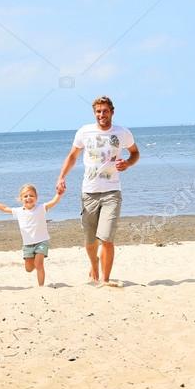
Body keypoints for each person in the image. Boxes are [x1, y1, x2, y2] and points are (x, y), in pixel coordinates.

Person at [55, 95, 139, 286]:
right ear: (94, 113)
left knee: (107, 239)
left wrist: (127, 163)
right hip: (89, 192)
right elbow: (72, 156)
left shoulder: (122, 133)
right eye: (98, 111)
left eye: (105, 111)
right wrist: (61, 177)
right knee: (90, 240)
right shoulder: (85, 132)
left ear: (112, 112)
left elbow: (135, 153)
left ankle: (105, 279)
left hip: (112, 192)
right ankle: (94, 264)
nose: (102, 115)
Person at [0, 183, 64, 287]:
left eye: (31, 195)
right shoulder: (18, 211)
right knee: (29, 269)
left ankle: (41, 287)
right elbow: (5, 208)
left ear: (36, 198)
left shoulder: (41, 208)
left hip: (41, 241)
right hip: (28, 244)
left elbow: (53, 202)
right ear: (21, 199)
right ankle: (34, 262)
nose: (28, 198)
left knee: (39, 264)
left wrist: (59, 194)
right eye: (25, 196)